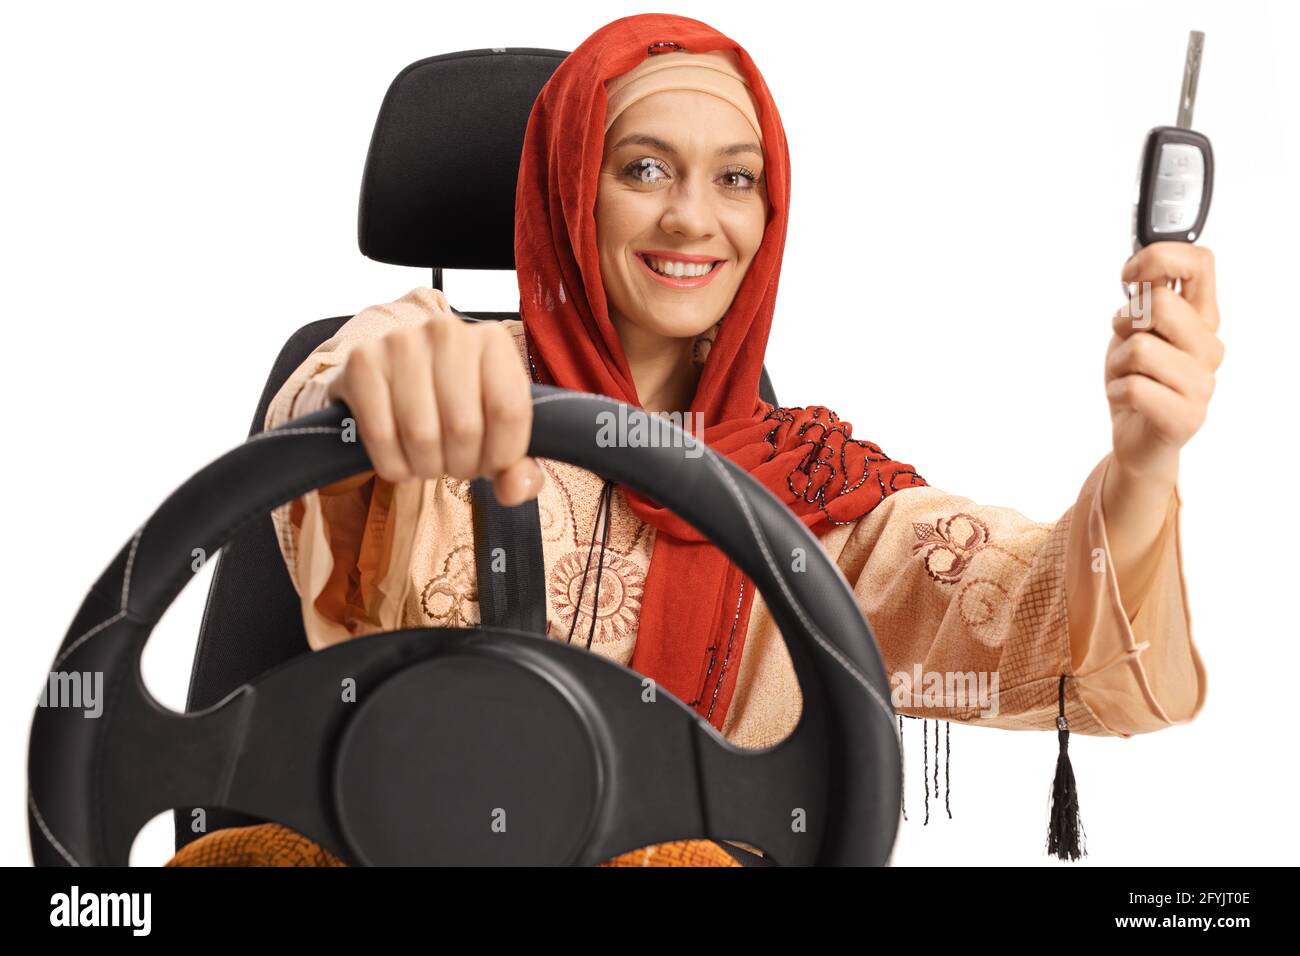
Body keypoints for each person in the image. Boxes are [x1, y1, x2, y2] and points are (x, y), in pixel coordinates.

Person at [168, 12, 1220, 867]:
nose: (691, 218)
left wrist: (1143, 461)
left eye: (734, 178)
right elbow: (338, 418)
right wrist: (377, 374)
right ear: (571, 188)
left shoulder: (803, 495)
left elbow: (1054, 627)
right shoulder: (451, 390)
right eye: (642, 169)